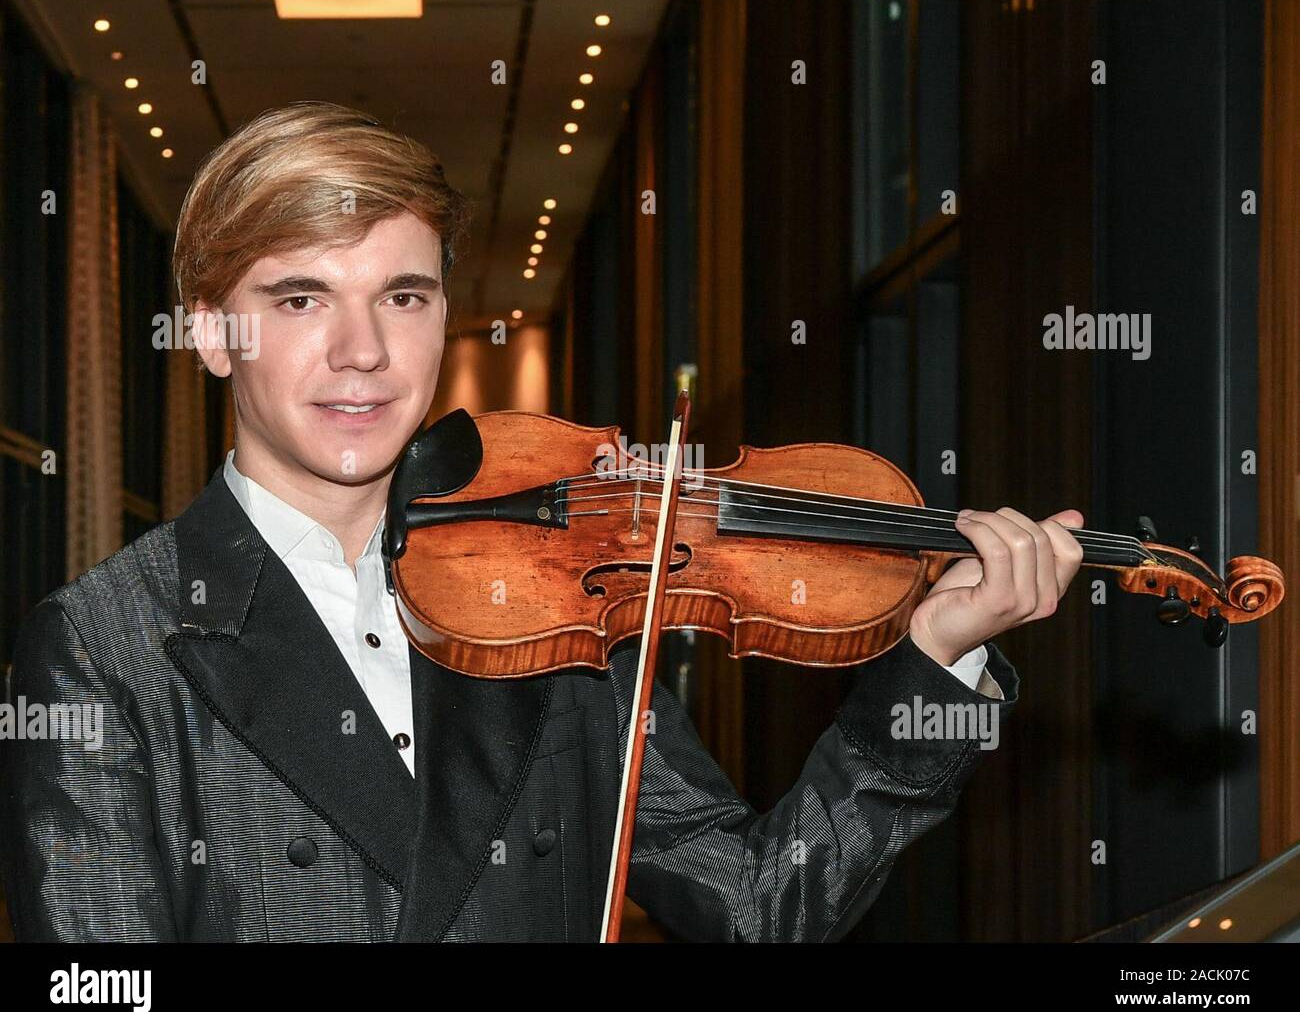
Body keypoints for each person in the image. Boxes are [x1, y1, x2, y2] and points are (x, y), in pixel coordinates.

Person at [0, 102, 1084, 942]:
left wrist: (937, 661)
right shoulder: (103, 645)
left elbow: (759, 908)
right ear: (212, 334)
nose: (363, 351)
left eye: (403, 295)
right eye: (300, 299)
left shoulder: (563, 599)